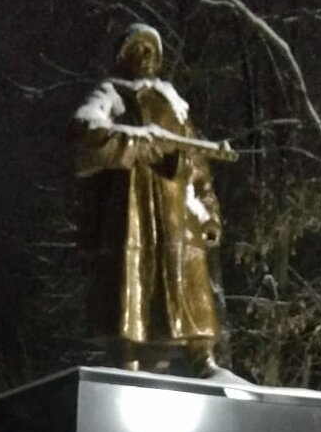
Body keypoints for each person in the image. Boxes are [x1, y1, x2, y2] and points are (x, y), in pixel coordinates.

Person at [70, 23, 231, 376]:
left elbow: (199, 168)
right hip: (130, 211)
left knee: (186, 289)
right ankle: (128, 361)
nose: (144, 56)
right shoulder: (111, 93)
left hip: (176, 214)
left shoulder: (174, 104)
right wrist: (135, 145)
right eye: (136, 48)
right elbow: (85, 133)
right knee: (130, 290)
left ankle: (203, 360)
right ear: (122, 55)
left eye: (151, 50)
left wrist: (209, 214)